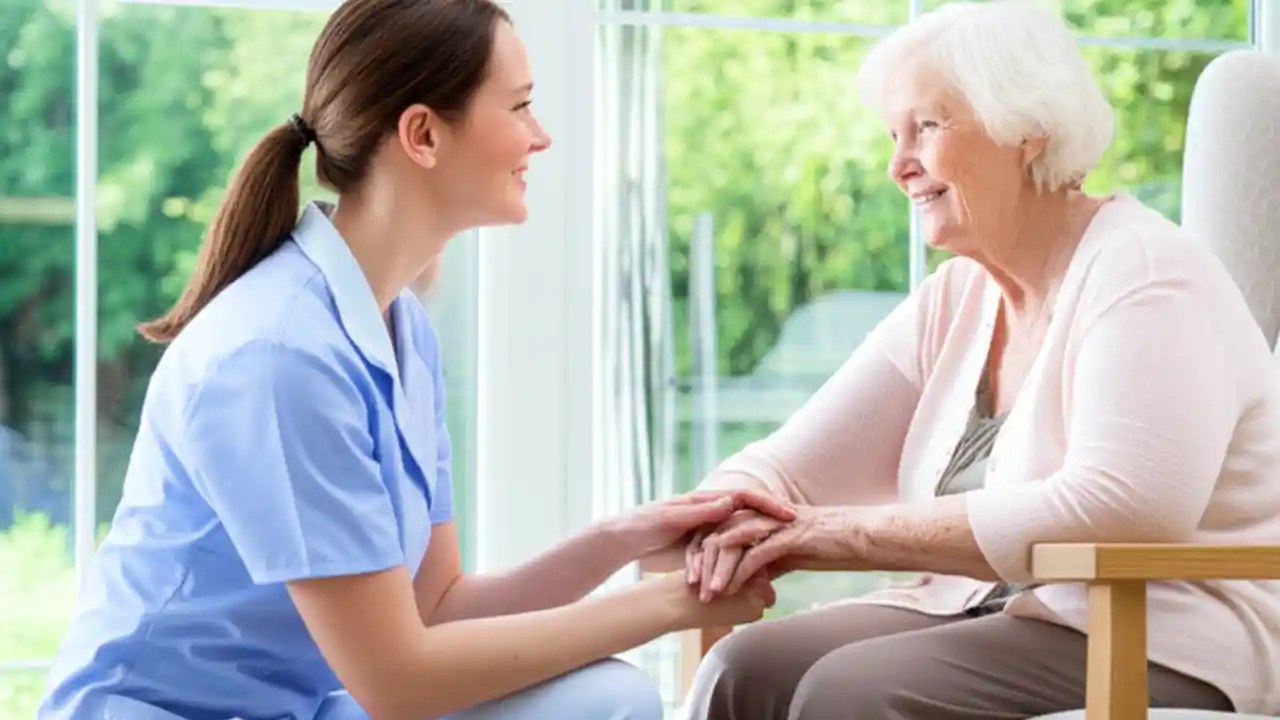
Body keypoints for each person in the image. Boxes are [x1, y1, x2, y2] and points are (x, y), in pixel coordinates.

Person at [36, 1, 790, 718]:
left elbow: (437, 607)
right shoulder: (278, 355)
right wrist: (668, 604)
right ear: (423, 135)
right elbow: (398, 681)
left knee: (605, 699)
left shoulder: (398, 324)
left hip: (288, 709)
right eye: (519, 105)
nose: (541, 136)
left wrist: (622, 538)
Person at [671, 2, 1280, 718]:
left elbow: (1122, 510)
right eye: (894, 135)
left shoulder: (1146, 275)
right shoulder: (959, 296)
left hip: (1155, 634)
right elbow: (790, 467)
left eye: (927, 127)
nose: (898, 166)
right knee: (747, 668)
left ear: (1027, 128)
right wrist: (717, 515)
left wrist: (837, 537)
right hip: (985, 611)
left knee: (849, 695)